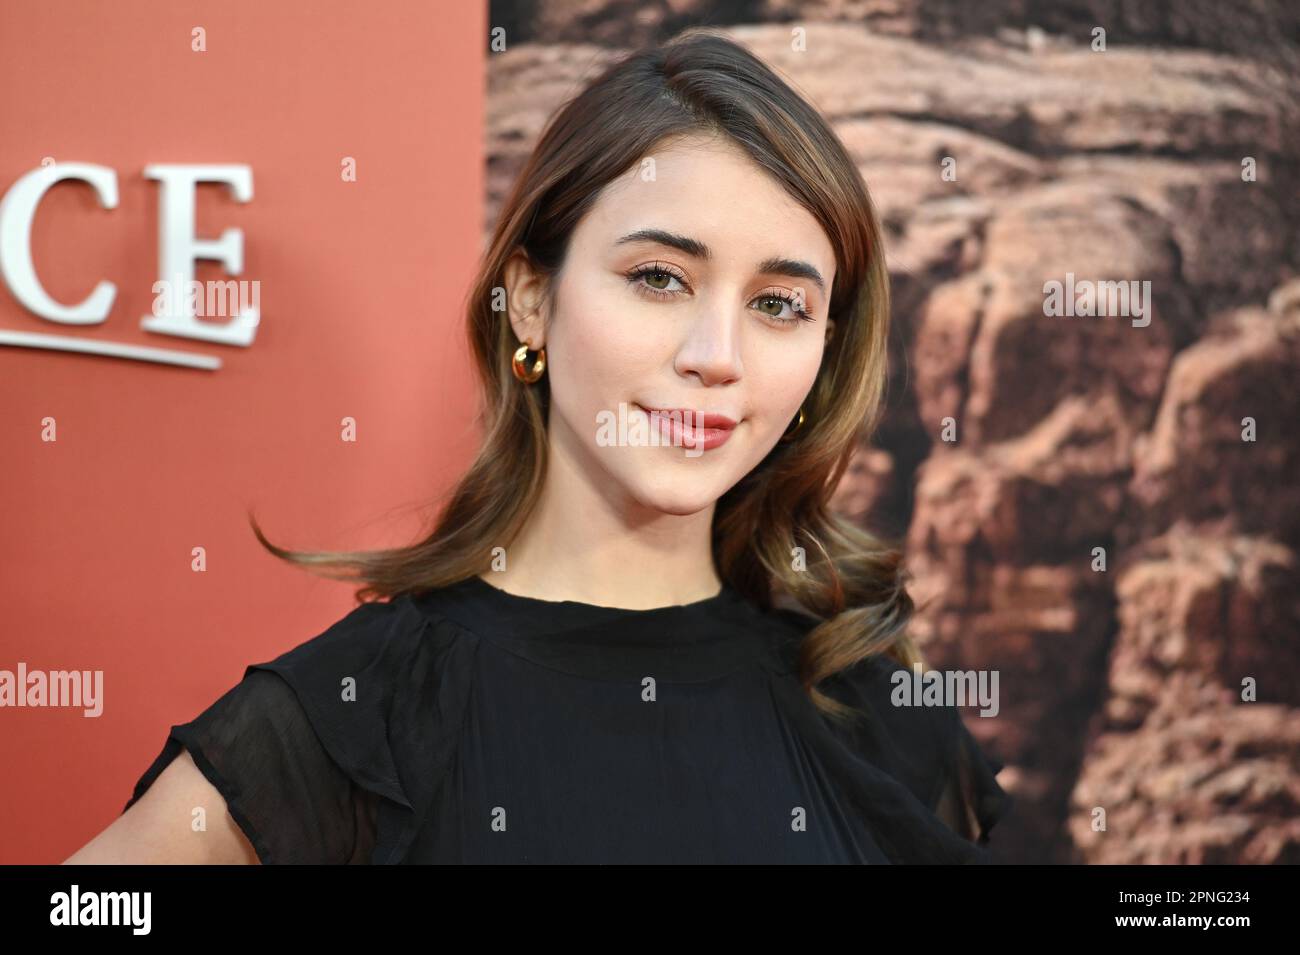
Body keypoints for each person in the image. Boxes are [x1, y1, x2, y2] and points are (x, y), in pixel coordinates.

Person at [64, 28, 1012, 865]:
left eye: (777, 304)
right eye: (659, 277)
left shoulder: (875, 710)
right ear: (529, 298)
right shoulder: (355, 715)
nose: (716, 358)